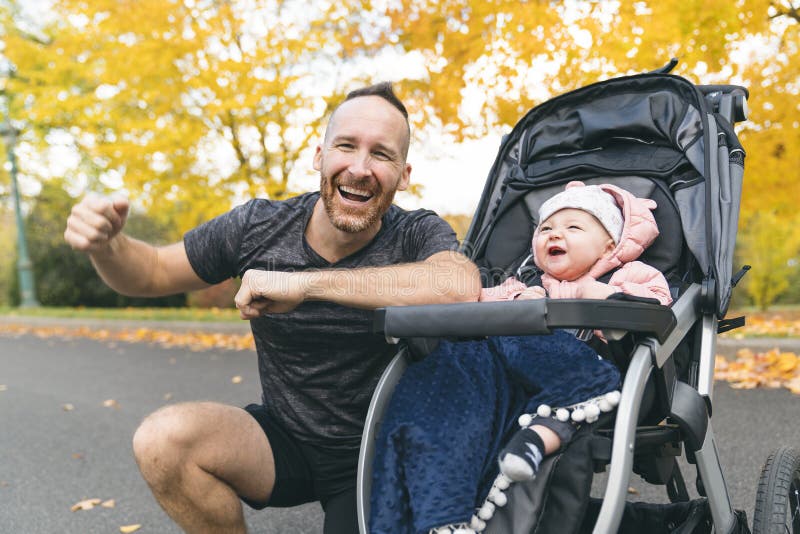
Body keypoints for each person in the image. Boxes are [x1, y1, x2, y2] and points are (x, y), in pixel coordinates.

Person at [64, 82, 481, 534]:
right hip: (284, 440)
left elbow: (457, 285)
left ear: (403, 175)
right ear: (319, 156)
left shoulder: (416, 232)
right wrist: (107, 246)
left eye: (381, 154)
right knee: (163, 440)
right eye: (346, 146)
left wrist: (306, 284)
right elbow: (150, 272)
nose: (360, 168)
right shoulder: (258, 226)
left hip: (376, 453)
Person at [369, 181, 672, 534]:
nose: (555, 234)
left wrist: (603, 295)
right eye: (546, 228)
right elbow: (470, 302)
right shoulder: (522, 285)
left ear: (610, 243)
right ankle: (443, 516)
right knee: (455, 364)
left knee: (523, 335)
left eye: (573, 227)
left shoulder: (629, 275)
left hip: (597, 370)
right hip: (514, 387)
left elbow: (659, 308)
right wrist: (514, 304)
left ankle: (539, 437)